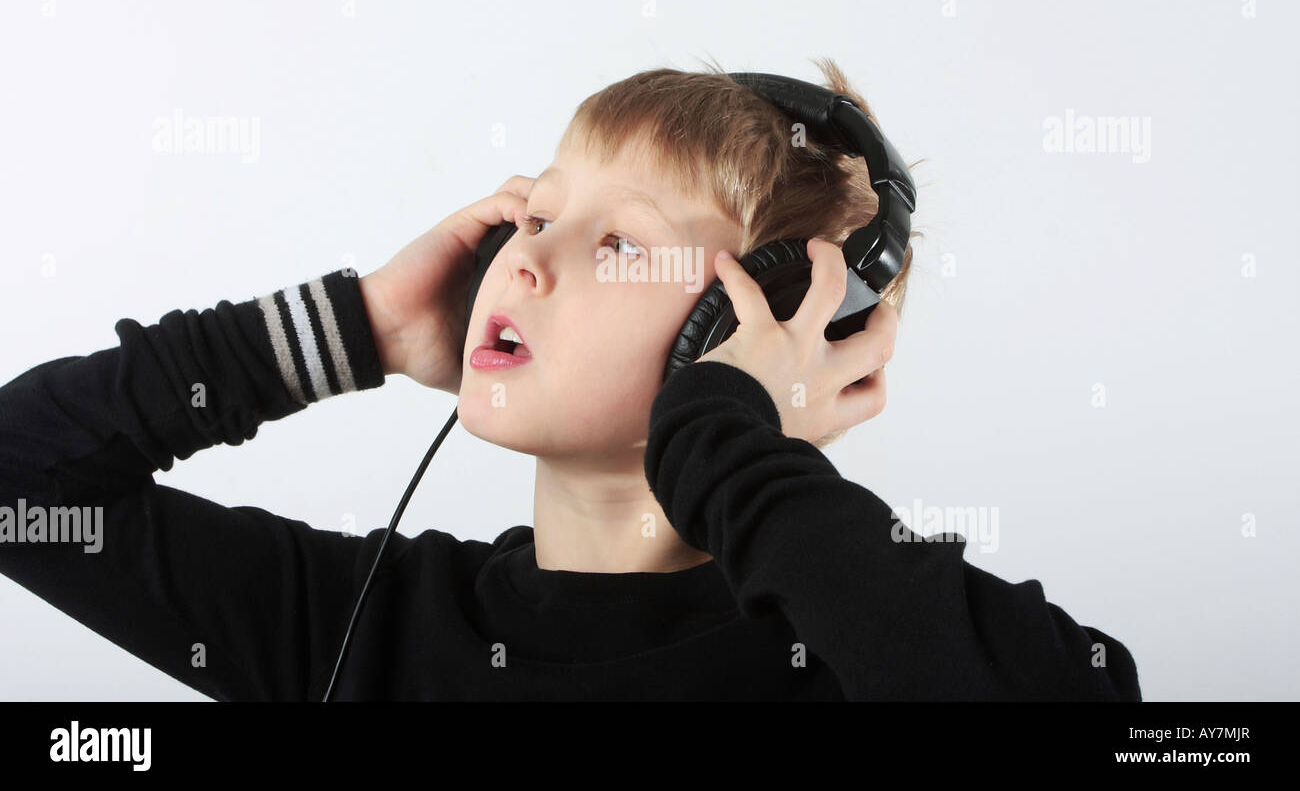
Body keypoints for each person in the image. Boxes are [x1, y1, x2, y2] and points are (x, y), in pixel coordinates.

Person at [0, 60, 1141, 700]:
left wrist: (737, 446)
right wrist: (359, 327)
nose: (524, 259)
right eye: (537, 212)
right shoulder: (369, 624)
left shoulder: (848, 649)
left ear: (754, 321)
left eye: (618, 243)